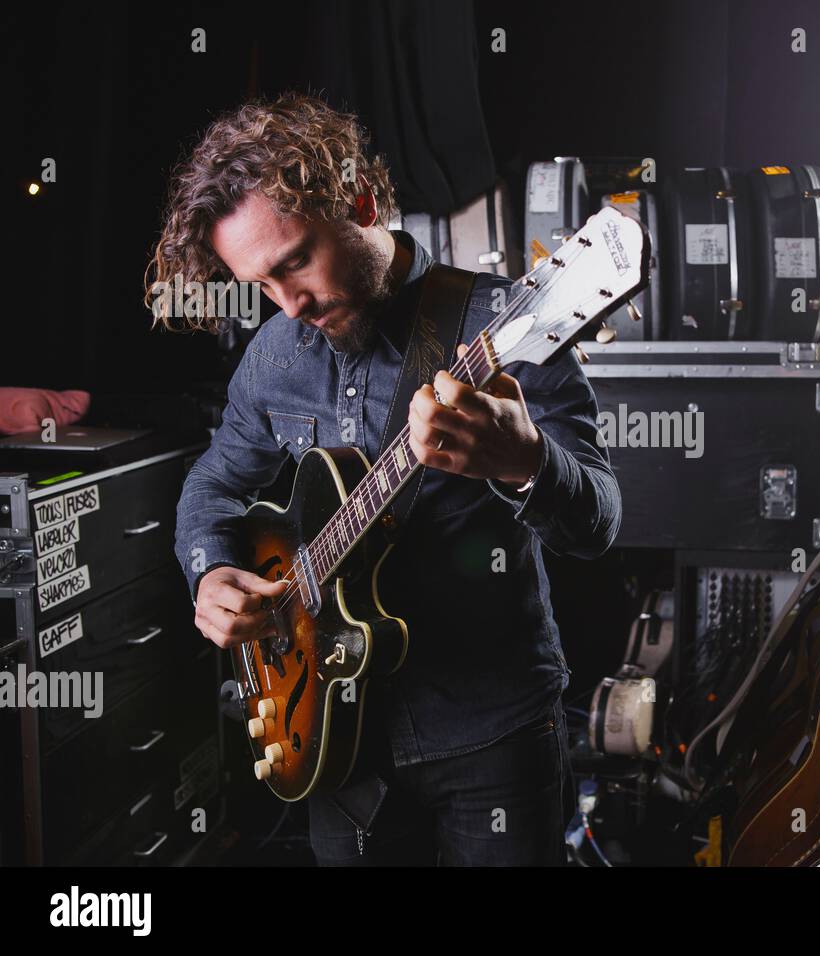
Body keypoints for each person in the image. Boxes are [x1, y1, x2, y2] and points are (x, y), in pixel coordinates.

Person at [145, 92, 620, 865]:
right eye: (262, 283)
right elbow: (213, 484)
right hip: (337, 740)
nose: (289, 304)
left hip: (490, 735)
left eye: (295, 261)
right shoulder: (274, 356)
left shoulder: (501, 328)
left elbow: (599, 523)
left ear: (361, 200)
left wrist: (525, 461)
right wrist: (210, 571)